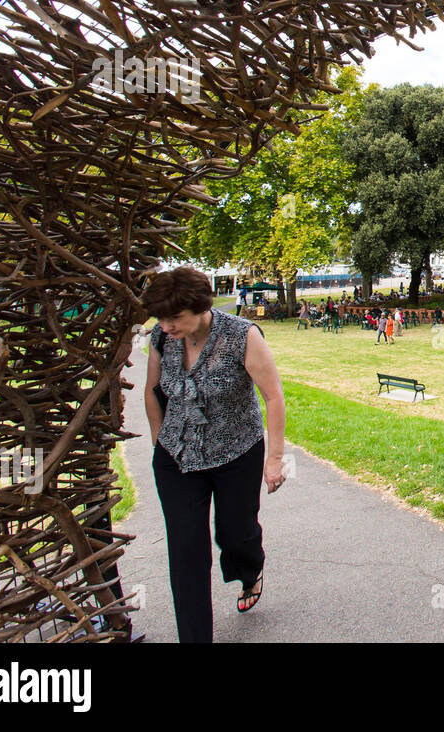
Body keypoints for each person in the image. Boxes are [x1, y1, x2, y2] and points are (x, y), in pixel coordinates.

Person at [141, 266, 286, 644]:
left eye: (175, 317)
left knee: (235, 534)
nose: (166, 325)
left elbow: (273, 396)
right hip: (178, 457)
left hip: (236, 451)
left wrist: (274, 459)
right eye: (161, 317)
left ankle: (250, 569)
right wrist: (160, 446)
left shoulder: (242, 335)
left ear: (200, 306)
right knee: (186, 550)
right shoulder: (162, 337)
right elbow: (153, 391)